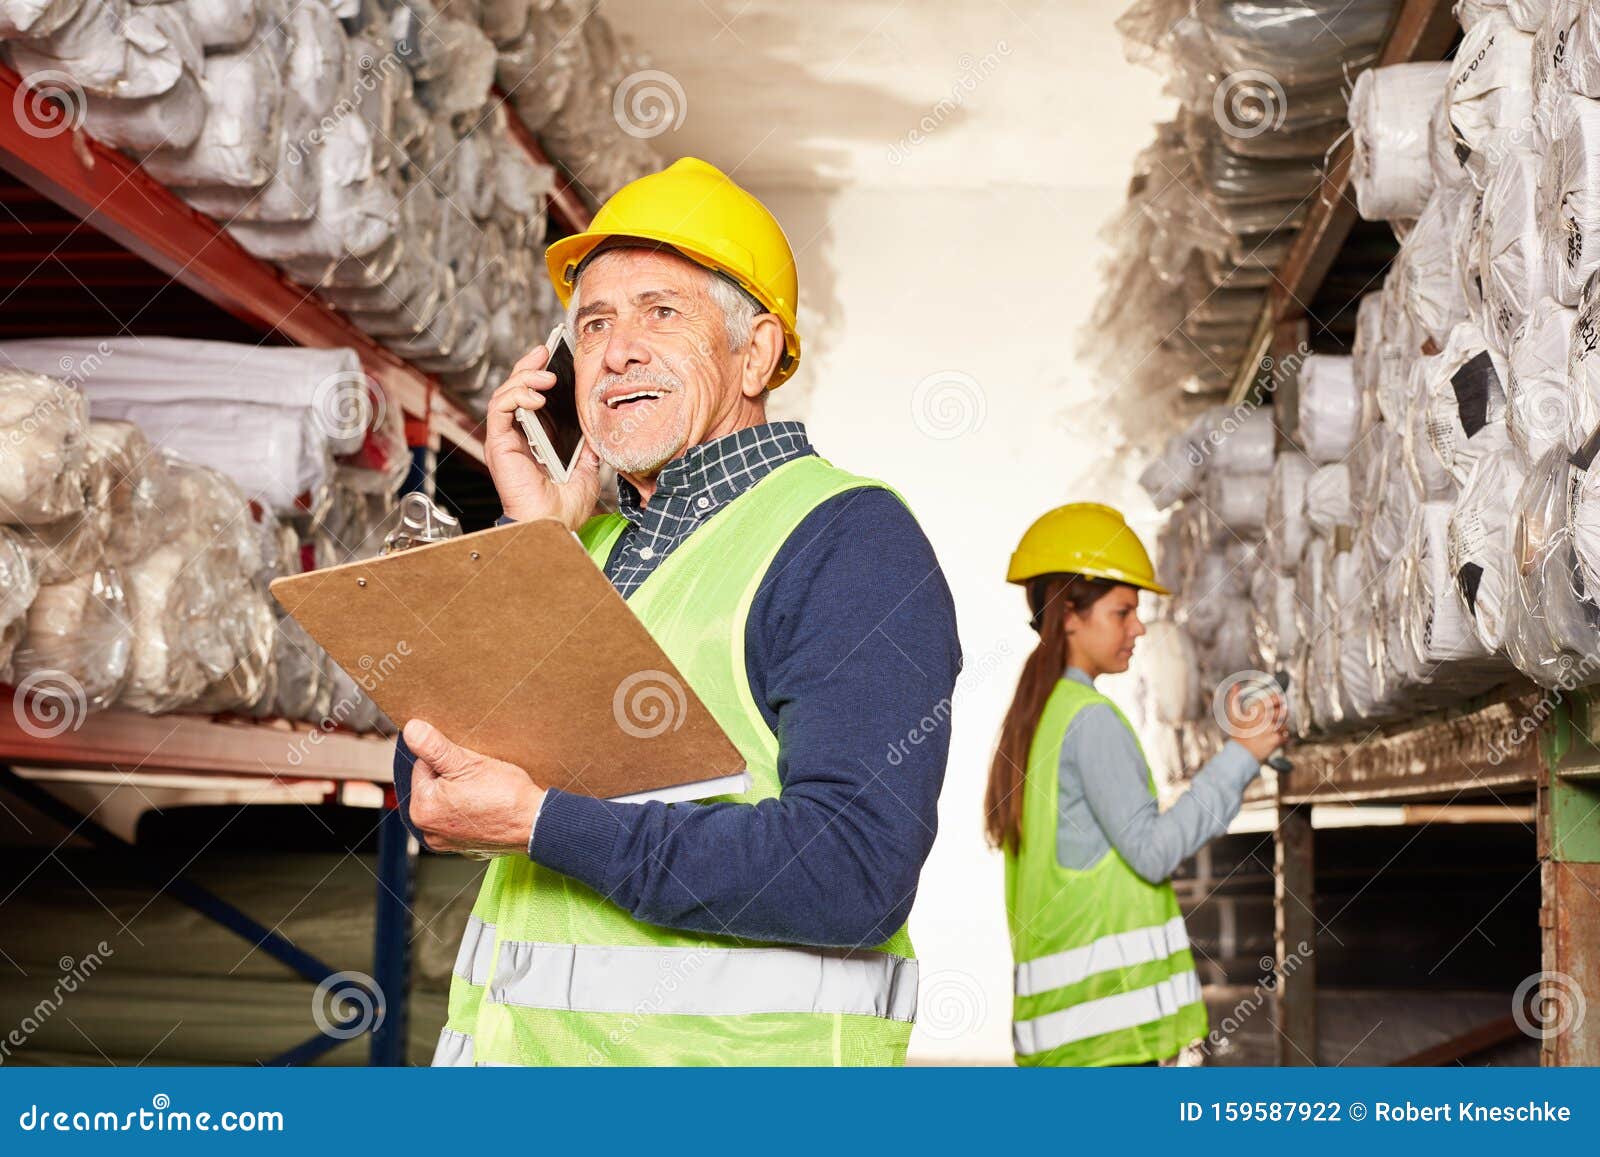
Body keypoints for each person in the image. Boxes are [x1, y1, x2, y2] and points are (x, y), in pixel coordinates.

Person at [392, 157, 962, 1066]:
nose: (616, 351)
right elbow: (433, 780)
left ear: (756, 354)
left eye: (661, 312)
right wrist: (529, 549)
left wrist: (545, 823)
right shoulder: (584, 546)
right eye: (594, 322)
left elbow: (853, 867)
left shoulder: (848, 541)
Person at [984, 502, 1286, 1067]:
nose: (1139, 627)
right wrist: (1242, 756)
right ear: (1070, 614)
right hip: (1112, 1041)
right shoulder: (1089, 720)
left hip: (1072, 1043)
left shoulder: (1040, 717)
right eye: (1122, 612)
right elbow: (1153, 851)